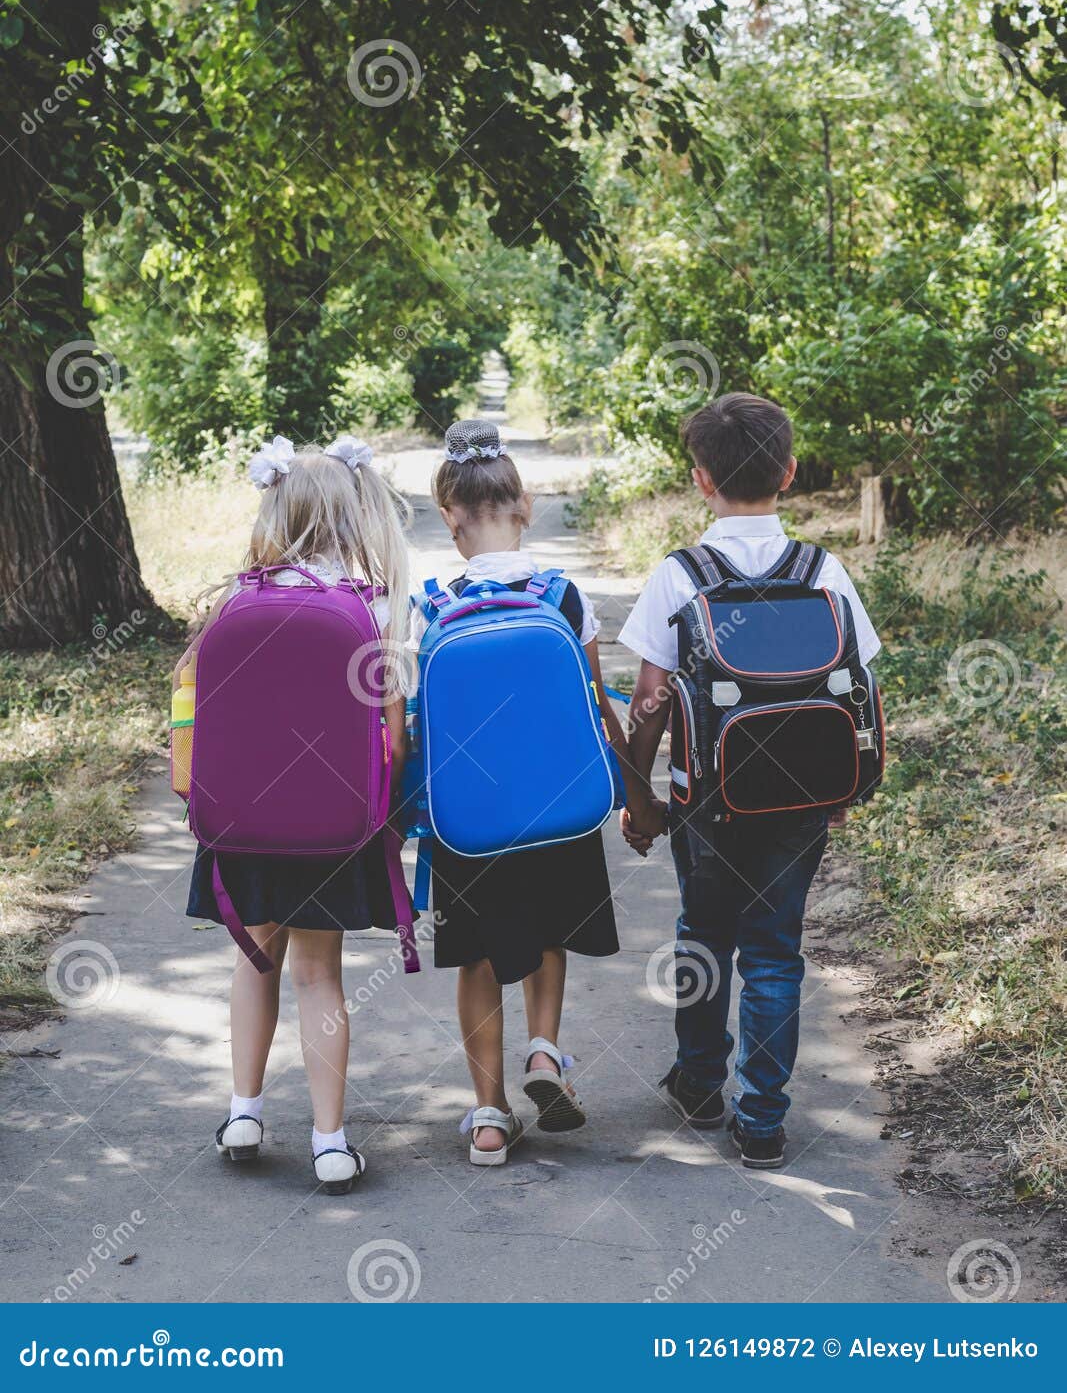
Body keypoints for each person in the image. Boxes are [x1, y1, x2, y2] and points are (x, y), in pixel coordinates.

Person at [619, 393, 881, 1169]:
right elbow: (859, 685)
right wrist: (842, 786)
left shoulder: (680, 575)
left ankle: (699, 1083)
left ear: (699, 479)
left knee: (703, 934)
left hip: (708, 803)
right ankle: (761, 1119)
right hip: (802, 798)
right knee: (774, 950)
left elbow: (646, 706)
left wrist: (641, 804)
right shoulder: (821, 568)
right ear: (790, 474)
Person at [176, 434, 411, 1193]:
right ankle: (330, 1141)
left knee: (253, 961)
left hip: (241, 830)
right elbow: (393, 739)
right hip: (330, 833)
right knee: (318, 977)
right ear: (353, 518)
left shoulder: (231, 603)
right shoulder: (369, 610)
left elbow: (192, 714)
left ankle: (244, 1111)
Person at [423, 418, 626, 1166]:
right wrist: (632, 792)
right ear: (526, 505)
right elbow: (594, 701)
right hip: (560, 808)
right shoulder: (563, 595)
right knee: (548, 936)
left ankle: (486, 1116)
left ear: (450, 518)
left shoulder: (433, 605)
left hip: (467, 821)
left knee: (477, 958)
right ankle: (545, 1053)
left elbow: (421, 721)